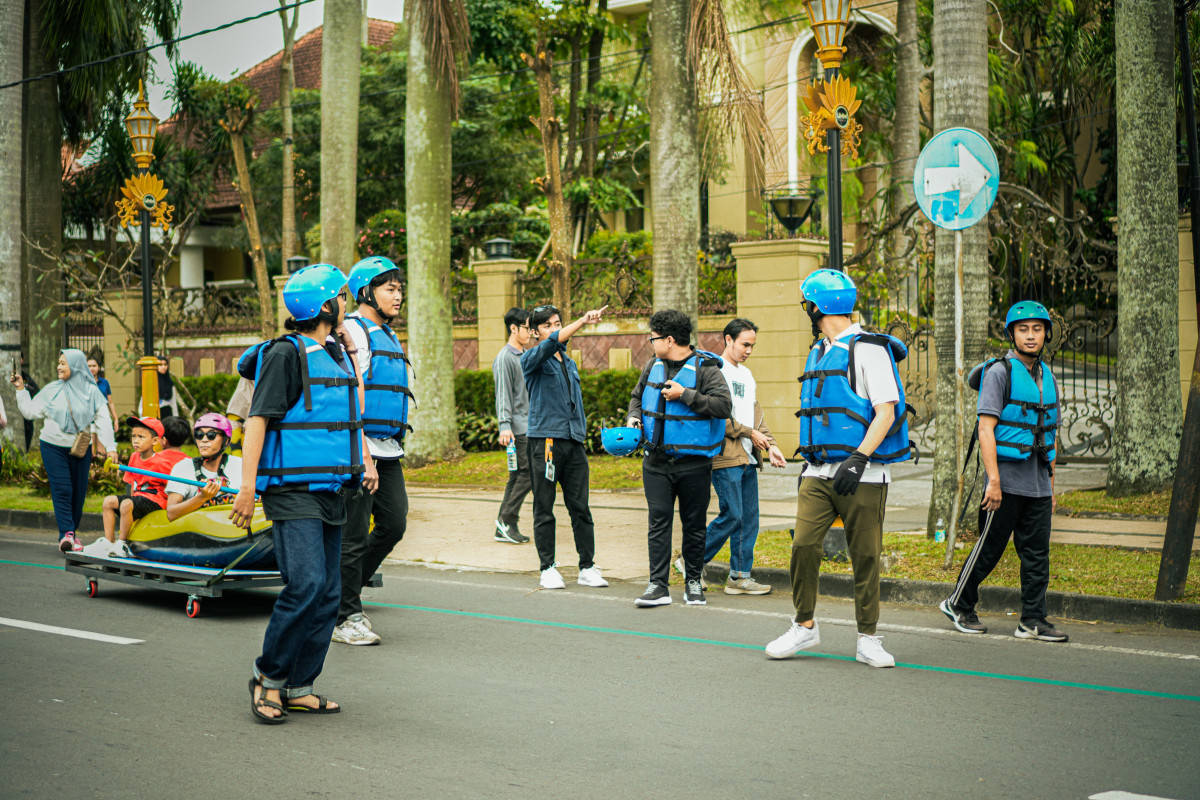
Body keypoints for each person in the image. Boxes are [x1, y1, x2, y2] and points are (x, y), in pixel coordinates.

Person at [232, 263, 376, 723]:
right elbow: (258, 420)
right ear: (325, 306)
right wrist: (247, 485)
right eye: (340, 296)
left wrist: (349, 351)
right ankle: (268, 679)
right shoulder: (284, 355)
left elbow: (356, 411)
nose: (345, 303)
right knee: (307, 584)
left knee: (329, 593)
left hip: (332, 489)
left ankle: (299, 684)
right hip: (292, 491)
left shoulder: (335, 352)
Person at [765, 269, 913, 669]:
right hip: (818, 471)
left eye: (807, 304)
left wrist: (859, 457)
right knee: (803, 545)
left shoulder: (868, 349)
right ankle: (804, 624)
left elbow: (886, 412)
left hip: (862, 473)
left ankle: (868, 637)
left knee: (864, 555)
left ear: (818, 307)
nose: (806, 310)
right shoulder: (819, 350)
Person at [939, 301, 1068, 643]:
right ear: (1012, 334)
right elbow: (985, 430)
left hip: (1038, 483)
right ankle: (959, 603)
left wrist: (1051, 488)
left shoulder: (1048, 376)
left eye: (1037, 329)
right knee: (990, 548)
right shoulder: (1000, 373)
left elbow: (1049, 434)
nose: (1030, 336)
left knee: (1037, 555)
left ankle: (1033, 619)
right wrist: (993, 482)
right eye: (1023, 329)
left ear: (1046, 334)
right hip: (1006, 481)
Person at [625, 309, 732, 607]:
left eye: (653, 338)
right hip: (656, 461)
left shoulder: (706, 369)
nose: (650, 342)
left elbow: (724, 406)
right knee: (658, 522)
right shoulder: (652, 365)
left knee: (694, 524)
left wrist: (686, 395)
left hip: (693, 464)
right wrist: (634, 419)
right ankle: (657, 586)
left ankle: (693, 583)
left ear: (669, 340)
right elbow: (636, 398)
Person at [333, 256, 414, 647]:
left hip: (388, 449)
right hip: (358, 448)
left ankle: (340, 590)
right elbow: (350, 396)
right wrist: (362, 454)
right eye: (389, 289)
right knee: (352, 534)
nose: (398, 296)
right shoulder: (355, 332)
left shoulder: (389, 335)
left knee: (394, 523)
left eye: (399, 289)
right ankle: (346, 614)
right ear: (367, 292)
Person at [522, 303, 609, 590]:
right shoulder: (533, 357)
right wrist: (584, 320)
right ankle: (547, 567)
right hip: (544, 441)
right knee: (544, 507)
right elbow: (551, 343)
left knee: (580, 507)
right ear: (535, 332)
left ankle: (587, 566)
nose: (554, 328)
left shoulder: (569, 364)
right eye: (547, 325)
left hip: (573, 441)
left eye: (557, 322)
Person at [697, 318, 787, 596]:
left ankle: (739, 577)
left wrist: (770, 445)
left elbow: (756, 416)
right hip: (725, 456)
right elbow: (714, 416)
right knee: (733, 515)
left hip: (748, 456)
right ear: (728, 340)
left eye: (752, 346)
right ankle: (691, 562)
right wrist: (749, 433)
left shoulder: (747, 376)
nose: (748, 350)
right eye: (745, 344)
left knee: (749, 518)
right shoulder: (713, 372)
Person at [12, 349, 117, 552]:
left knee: (78, 493)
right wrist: (20, 390)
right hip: (52, 447)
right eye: (58, 363)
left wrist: (111, 447)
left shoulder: (91, 391)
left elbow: (103, 419)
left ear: (76, 366)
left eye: (63, 363)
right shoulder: (52, 390)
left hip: (80, 448)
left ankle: (71, 533)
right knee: (63, 489)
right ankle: (66, 534)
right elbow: (30, 412)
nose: (59, 367)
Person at [92, 415, 190, 557]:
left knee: (126, 504)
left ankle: (123, 544)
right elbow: (132, 485)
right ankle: (109, 541)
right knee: (108, 501)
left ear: (155, 441)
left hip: (155, 501)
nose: (136, 441)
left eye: (141, 437)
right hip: (138, 499)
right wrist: (132, 503)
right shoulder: (134, 457)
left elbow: (174, 486)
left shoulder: (161, 462)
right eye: (133, 436)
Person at [492, 306, 534, 544]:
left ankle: (504, 525)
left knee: (518, 476)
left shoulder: (525, 355)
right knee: (526, 475)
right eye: (527, 328)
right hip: (518, 429)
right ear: (514, 328)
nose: (530, 332)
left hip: (530, 426)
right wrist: (504, 425)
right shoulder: (505, 358)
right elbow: (503, 394)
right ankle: (507, 521)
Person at [165, 413, 243, 520]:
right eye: (199, 435)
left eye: (211, 435)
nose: (204, 440)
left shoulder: (241, 465)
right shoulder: (182, 468)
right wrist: (202, 497)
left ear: (227, 441)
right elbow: (171, 513)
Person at [87, 356, 119, 430]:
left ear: (98, 367)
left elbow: (110, 402)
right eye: (89, 366)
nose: (91, 368)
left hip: (103, 418)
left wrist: (115, 419)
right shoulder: (82, 383)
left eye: (94, 366)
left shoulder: (104, 382)